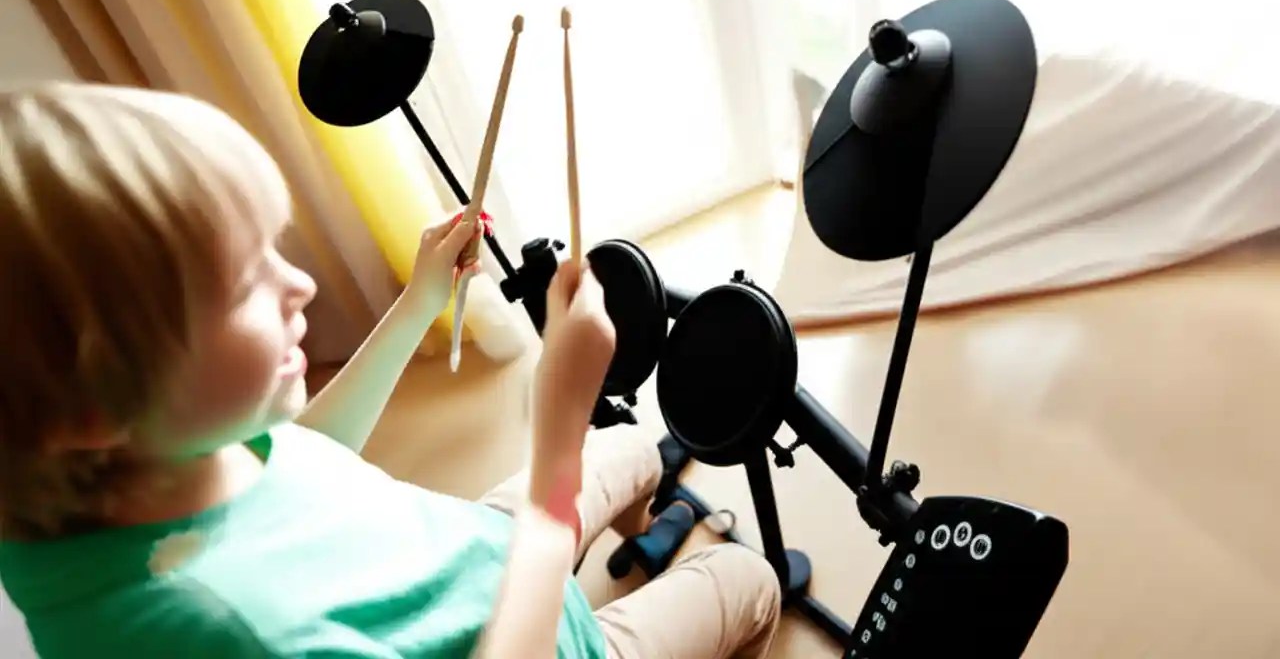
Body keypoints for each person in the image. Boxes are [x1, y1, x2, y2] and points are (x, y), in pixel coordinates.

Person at [0, 82, 781, 658]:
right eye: (244, 282)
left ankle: (637, 525)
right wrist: (552, 483)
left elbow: (301, 462)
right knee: (750, 581)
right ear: (93, 410)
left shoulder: (128, 472)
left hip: (469, 552)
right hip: (534, 635)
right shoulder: (225, 636)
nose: (299, 285)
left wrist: (417, 306)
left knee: (639, 446)